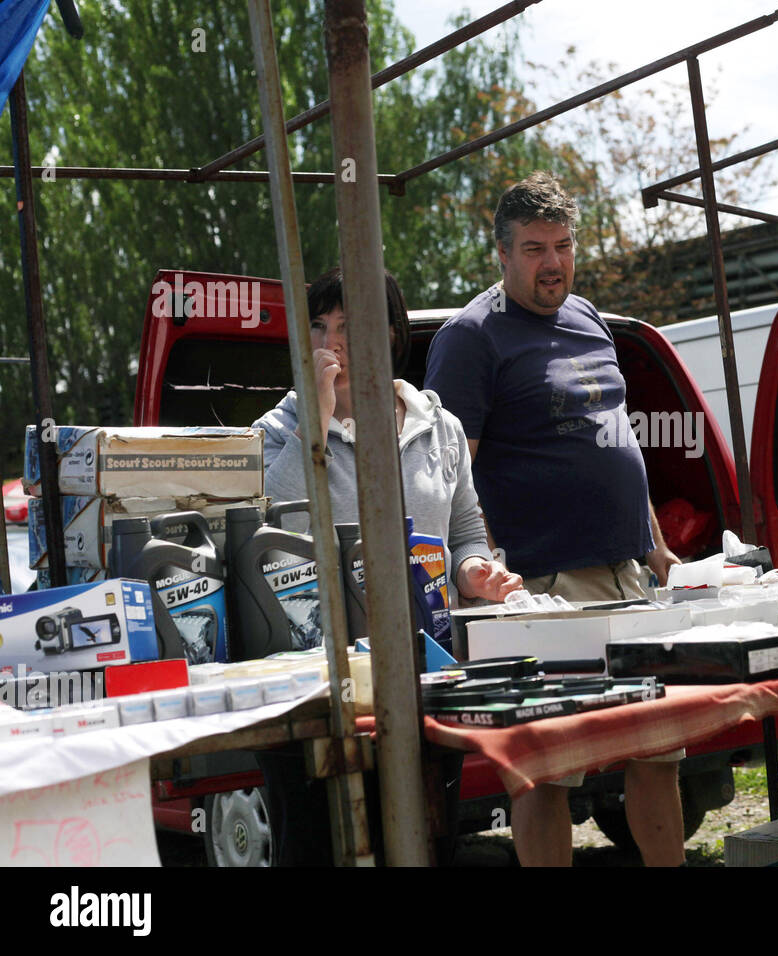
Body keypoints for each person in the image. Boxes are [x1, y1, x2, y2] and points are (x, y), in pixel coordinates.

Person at [424, 172, 686, 867]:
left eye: (564, 245)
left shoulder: (590, 317)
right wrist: (482, 571)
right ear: (502, 256)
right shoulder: (470, 338)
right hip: (543, 586)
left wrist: (658, 551)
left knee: (658, 751)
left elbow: (617, 441)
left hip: (629, 574)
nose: (553, 263)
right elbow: (447, 472)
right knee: (547, 773)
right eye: (535, 248)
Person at [251, 266, 521, 865]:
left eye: (349, 326)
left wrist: (475, 570)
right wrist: (314, 424)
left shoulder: (439, 426)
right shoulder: (274, 431)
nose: (331, 344)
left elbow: (465, 530)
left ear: (390, 333)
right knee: (317, 847)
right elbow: (271, 531)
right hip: (316, 682)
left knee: (426, 840)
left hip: (424, 671)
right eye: (319, 327)